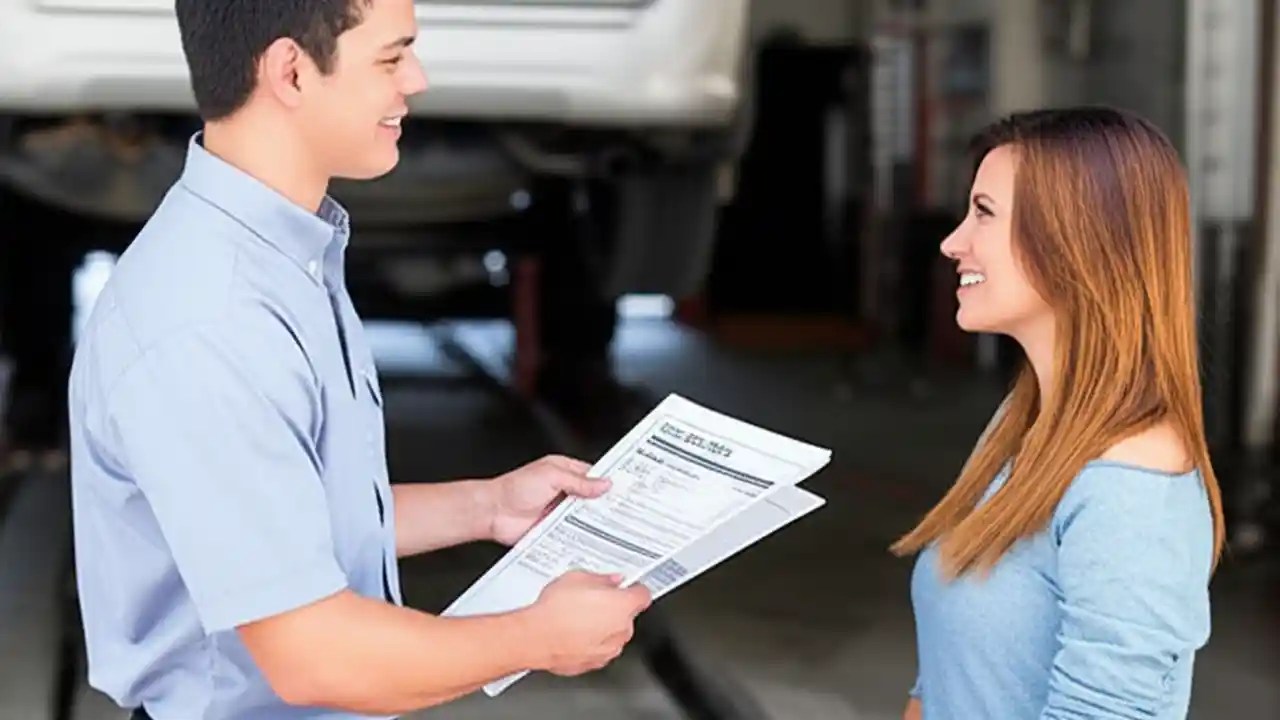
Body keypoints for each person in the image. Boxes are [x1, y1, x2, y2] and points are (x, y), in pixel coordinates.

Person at [66, 1, 653, 718]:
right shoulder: (209, 319)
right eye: (390, 57)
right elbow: (316, 657)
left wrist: (487, 506)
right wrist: (535, 638)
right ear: (290, 71)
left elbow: (286, 523)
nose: (418, 79)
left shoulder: (280, 256)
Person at [891, 107, 1226, 720]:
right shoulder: (1025, 423)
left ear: (1077, 240)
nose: (951, 242)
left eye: (984, 213)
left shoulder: (1131, 483)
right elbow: (941, 679)